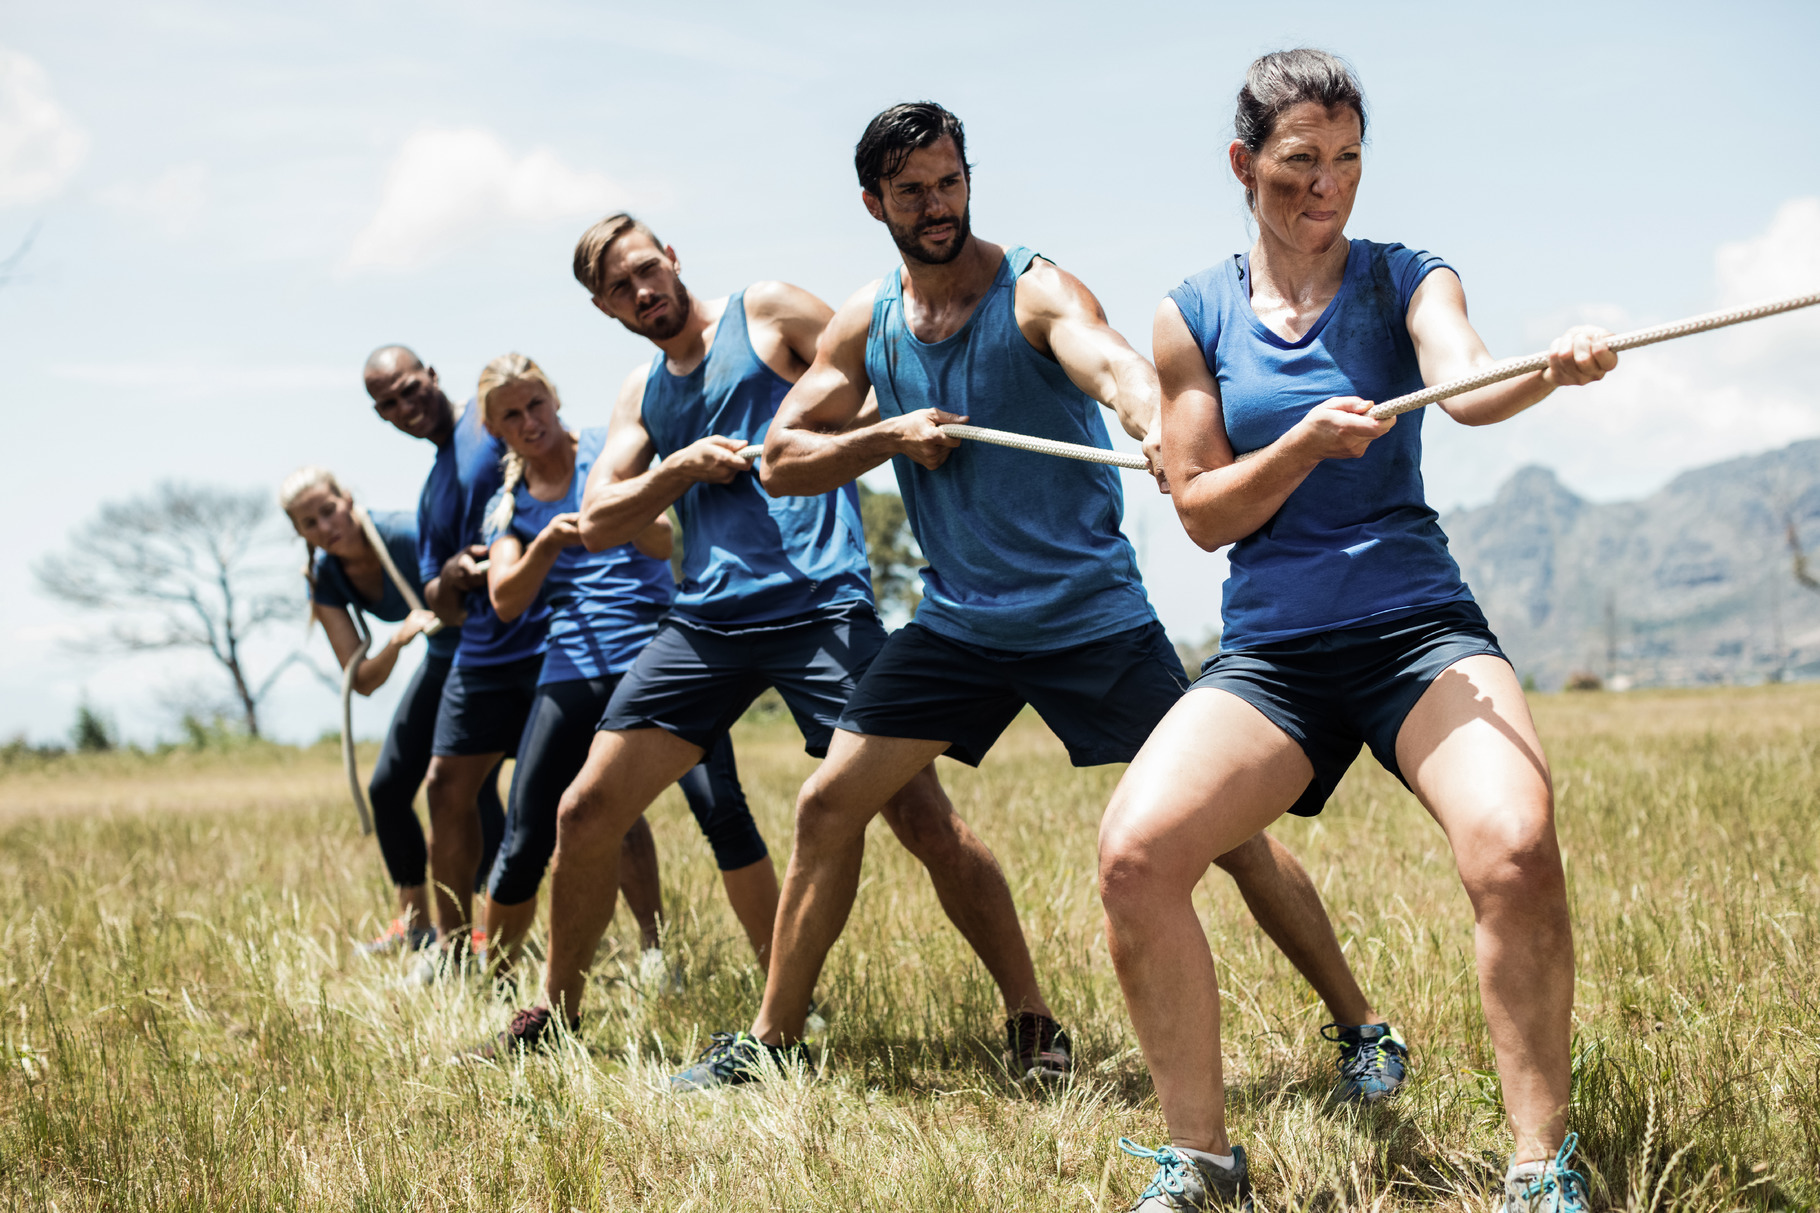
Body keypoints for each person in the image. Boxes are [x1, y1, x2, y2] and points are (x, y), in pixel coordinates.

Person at [744, 100, 1401, 1106]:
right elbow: (780, 459)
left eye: (950, 182)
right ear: (874, 203)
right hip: (959, 623)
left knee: (1228, 836)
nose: (938, 205)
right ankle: (774, 1042)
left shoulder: (1033, 290)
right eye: (913, 191)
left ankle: (1361, 1029)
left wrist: (1155, 427)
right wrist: (886, 438)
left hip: (1089, 618)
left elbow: (1116, 366)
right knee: (827, 804)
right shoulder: (866, 322)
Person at [1100, 50, 1613, 1212]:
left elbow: (1466, 384)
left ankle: (1539, 1167)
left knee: (1513, 847)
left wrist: (1546, 372)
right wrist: (1296, 447)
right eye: (1298, 161)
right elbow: (1200, 512)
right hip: (1272, 657)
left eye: (1345, 160)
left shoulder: (1405, 277)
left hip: (1414, 631)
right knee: (1135, 856)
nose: (1324, 185)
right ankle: (1202, 1163)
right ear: (1242, 164)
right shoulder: (1190, 315)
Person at [480, 214, 1059, 1078]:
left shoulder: (769, 312)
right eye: (621, 289)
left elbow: (883, 375)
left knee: (920, 816)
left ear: (671, 257)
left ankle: (1033, 1019)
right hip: (706, 624)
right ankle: (558, 1014)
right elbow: (597, 521)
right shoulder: (643, 393)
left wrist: (838, 445)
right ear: (607, 309)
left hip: (821, 605)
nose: (643, 291)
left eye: (646, 269)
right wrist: (679, 468)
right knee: (584, 810)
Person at [464, 353, 765, 1019]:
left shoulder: (608, 453)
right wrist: (548, 543)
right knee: (525, 835)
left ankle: (779, 987)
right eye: (512, 415)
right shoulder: (507, 504)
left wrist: (612, 513)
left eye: (536, 404)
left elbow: (661, 542)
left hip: (659, 649)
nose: (530, 421)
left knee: (722, 809)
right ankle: (495, 983)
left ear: (554, 398)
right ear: (495, 430)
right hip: (569, 666)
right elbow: (506, 600)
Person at [363, 346, 664, 977]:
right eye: (387, 404)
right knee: (446, 788)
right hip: (482, 652)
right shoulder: (433, 490)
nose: (405, 407)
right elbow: (440, 602)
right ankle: (455, 951)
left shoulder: (492, 427)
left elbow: (578, 466)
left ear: (433, 376)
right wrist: (452, 575)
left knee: (600, 794)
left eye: (409, 388)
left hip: (557, 641)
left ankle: (652, 948)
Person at [278, 466, 467, 954]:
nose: (325, 527)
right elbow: (360, 680)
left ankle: (480, 929)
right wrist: (397, 642)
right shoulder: (325, 577)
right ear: (300, 533)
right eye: (309, 523)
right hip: (440, 658)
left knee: (466, 786)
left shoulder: (404, 534)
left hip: (482, 654)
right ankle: (415, 925)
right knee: (387, 789)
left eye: (328, 510)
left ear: (347, 499)